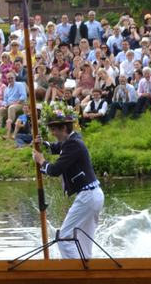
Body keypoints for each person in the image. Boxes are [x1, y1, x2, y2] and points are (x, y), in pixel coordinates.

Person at [31, 111, 104, 260]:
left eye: (55, 130)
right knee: (83, 243)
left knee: (64, 237)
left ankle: (78, 274)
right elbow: (58, 147)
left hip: (88, 197)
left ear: (64, 128)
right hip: (93, 195)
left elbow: (55, 170)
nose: (53, 133)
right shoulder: (72, 140)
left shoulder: (74, 143)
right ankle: (88, 270)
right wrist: (42, 144)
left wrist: (41, 161)